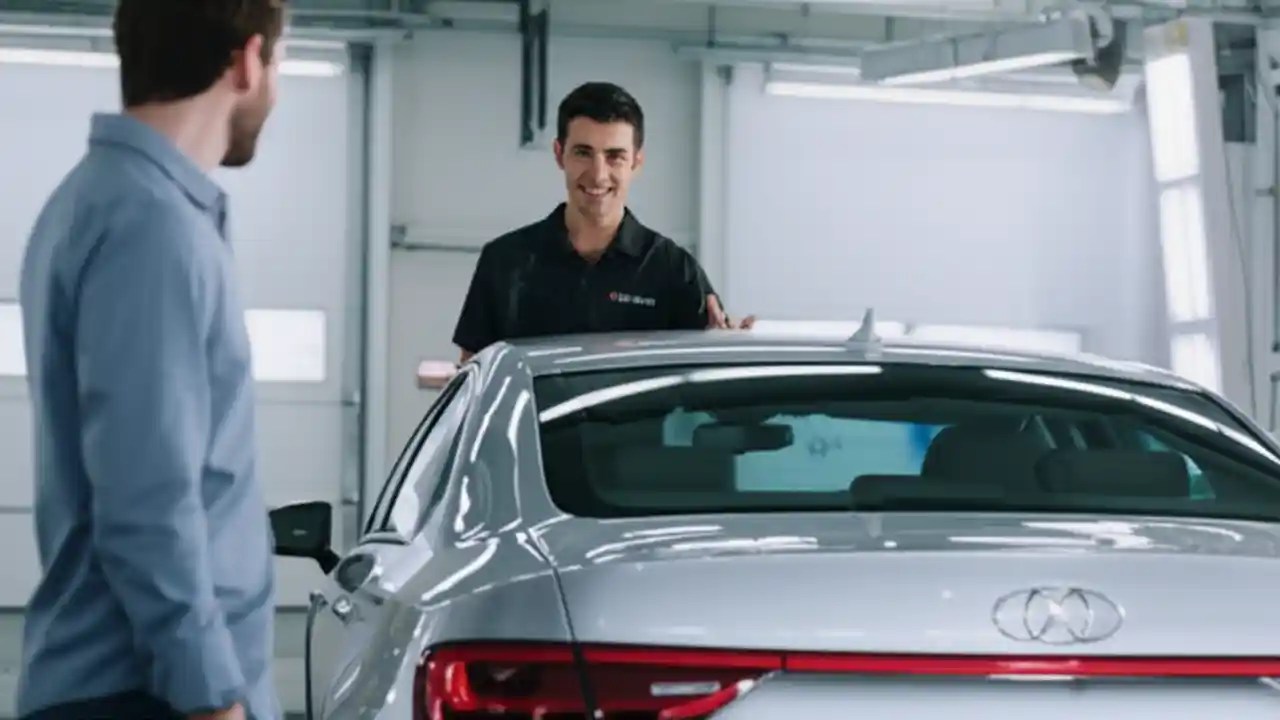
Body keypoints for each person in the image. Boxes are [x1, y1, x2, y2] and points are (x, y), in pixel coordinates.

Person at [16, 2, 286, 719]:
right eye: (278, 64)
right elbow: (147, 493)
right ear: (247, 60)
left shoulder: (106, 202)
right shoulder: (151, 225)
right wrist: (212, 694)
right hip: (150, 694)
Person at [451, 81, 752, 363]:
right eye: (583, 153)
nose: (598, 175)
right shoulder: (504, 262)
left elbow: (704, 389)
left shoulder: (674, 271)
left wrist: (734, 350)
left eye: (614, 156)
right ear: (560, 155)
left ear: (636, 162)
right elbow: (473, 383)